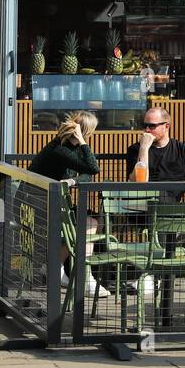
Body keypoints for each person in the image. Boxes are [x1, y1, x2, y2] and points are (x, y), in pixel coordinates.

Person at [29, 111, 109, 298]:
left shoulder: (70, 149)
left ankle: (56, 269)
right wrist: (82, 142)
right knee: (88, 225)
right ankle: (84, 278)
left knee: (91, 223)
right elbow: (93, 168)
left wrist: (72, 181)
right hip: (38, 206)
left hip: (54, 204)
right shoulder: (60, 148)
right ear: (86, 131)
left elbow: (88, 174)